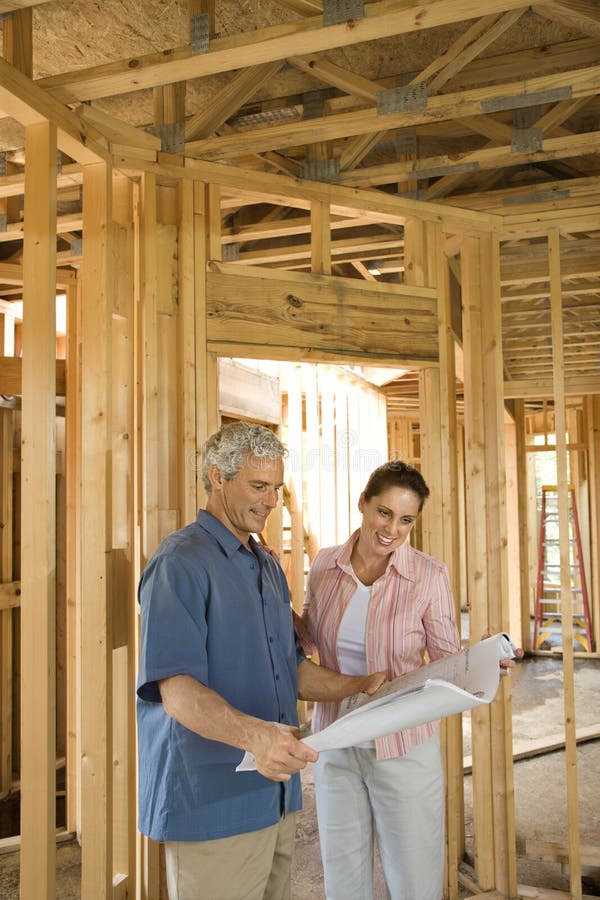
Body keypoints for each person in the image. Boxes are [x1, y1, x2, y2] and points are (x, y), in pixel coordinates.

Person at [136, 421, 385, 900]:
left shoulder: (267, 565)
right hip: (211, 803)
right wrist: (258, 737)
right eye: (258, 486)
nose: (271, 501)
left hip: (275, 796)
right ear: (217, 478)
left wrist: (360, 685)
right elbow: (176, 689)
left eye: (277, 488)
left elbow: (290, 670)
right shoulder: (180, 563)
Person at [301, 460, 520, 900]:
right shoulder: (325, 565)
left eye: (406, 520)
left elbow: (444, 661)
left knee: (414, 881)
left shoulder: (428, 575)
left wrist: (479, 660)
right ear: (363, 503)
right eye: (384, 513)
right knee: (343, 878)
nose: (392, 530)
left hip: (403, 749)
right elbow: (306, 637)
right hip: (334, 744)